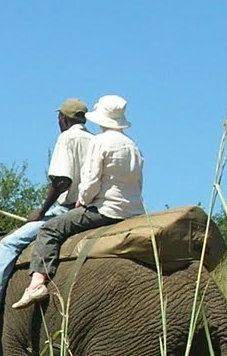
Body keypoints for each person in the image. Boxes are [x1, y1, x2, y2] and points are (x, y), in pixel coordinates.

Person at [0, 98, 92, 332]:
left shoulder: (67, 138)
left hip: (64, 210)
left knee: (9, 243)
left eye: (59, 118)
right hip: (86, 208)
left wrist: (41, 211)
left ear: (63, 119)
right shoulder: (94, 140)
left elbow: (62, 181)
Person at [12, 94, 143, 308]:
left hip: (105, 210)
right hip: (133, 210)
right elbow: (138, 182)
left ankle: (37, 283)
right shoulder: (132, 145)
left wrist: (82, 201)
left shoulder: (100, 142)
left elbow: (91, 181)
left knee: (50, 230)